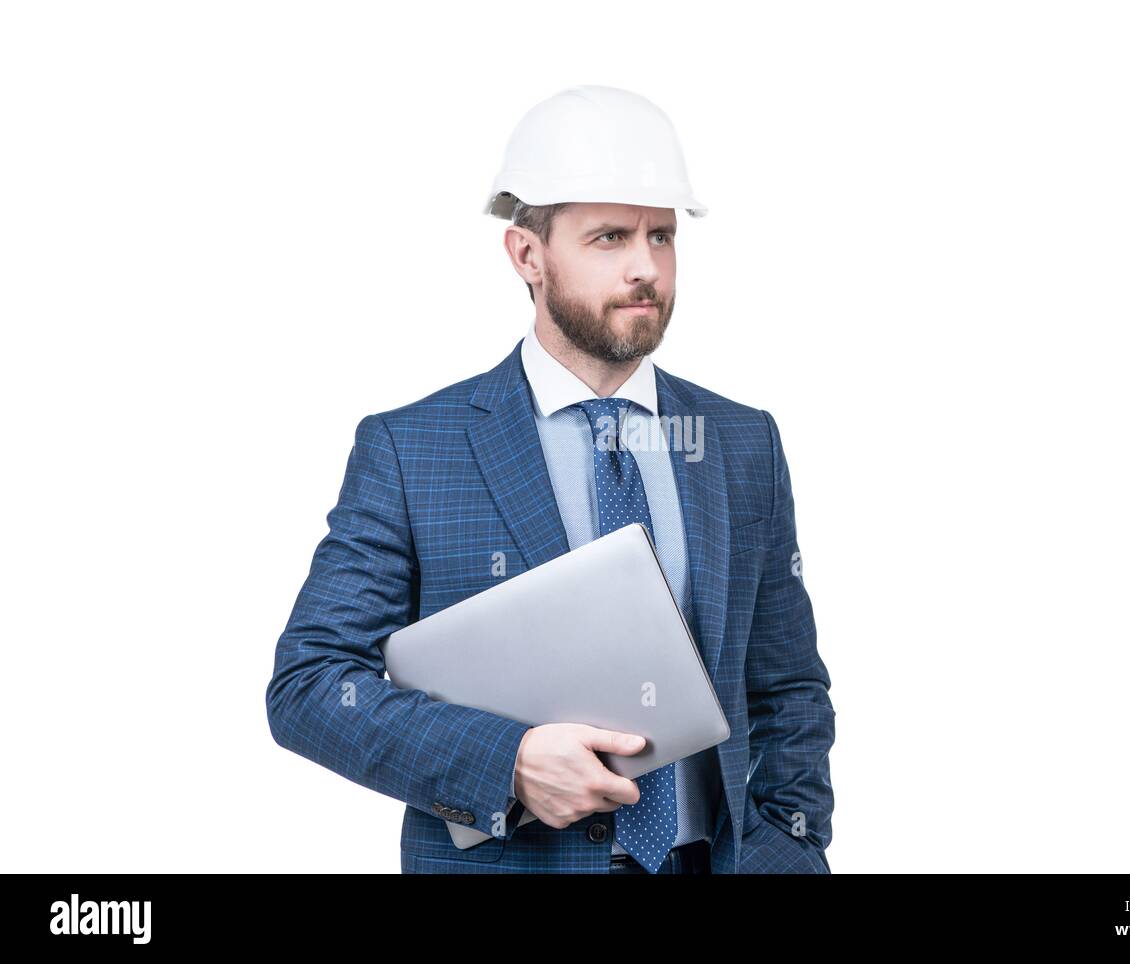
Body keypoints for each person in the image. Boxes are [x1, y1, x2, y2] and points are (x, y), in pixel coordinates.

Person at [265, 85, 835, 874]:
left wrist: (791, 855)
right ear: (527, 256)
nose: (646, 268)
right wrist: (509, 761)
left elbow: (789, 693)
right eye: (609, 238)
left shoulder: (741, 444)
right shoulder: (412, 450)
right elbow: (311, 684)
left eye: (661, 237)